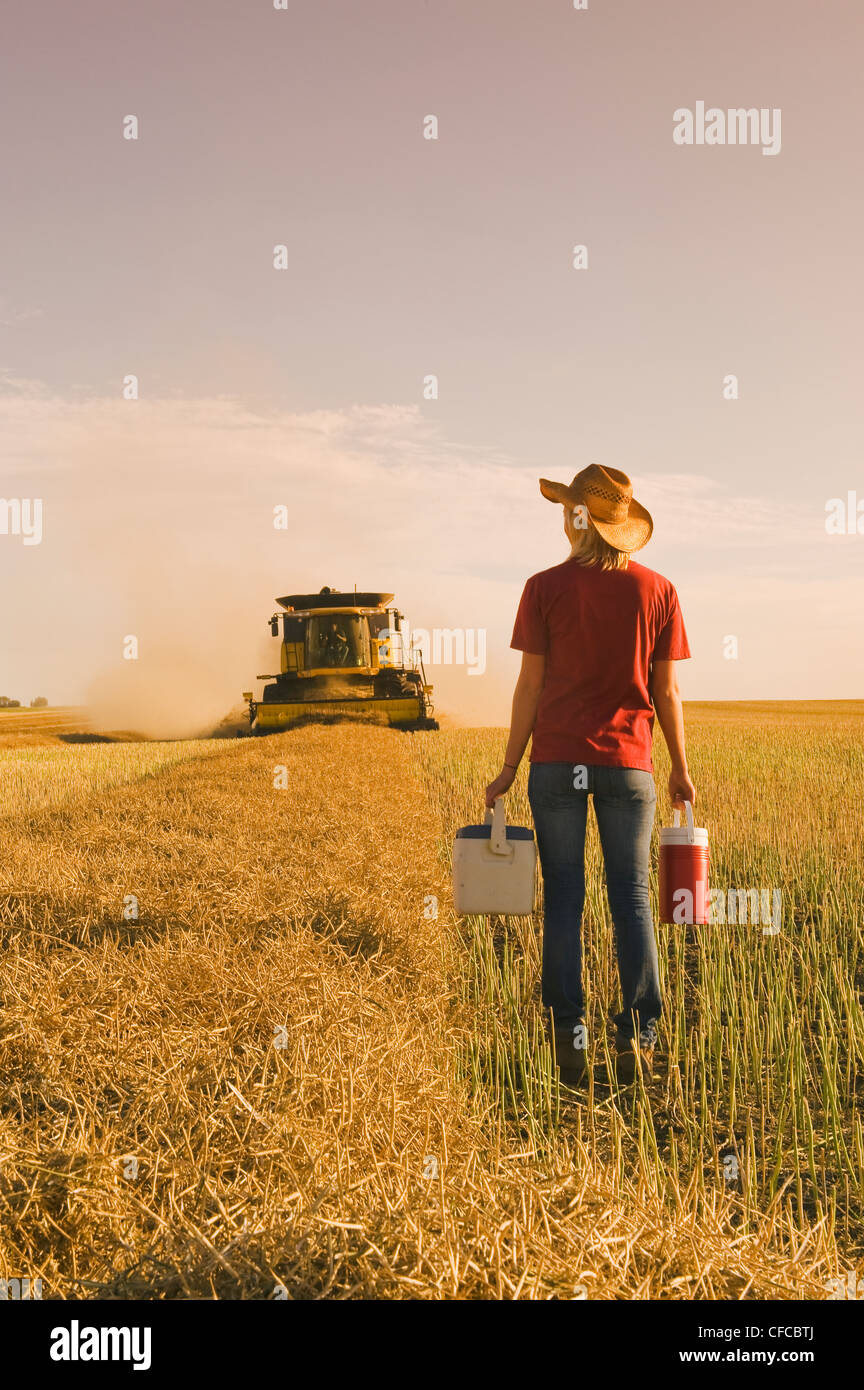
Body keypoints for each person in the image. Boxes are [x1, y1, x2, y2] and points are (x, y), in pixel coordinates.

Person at [485, 465, 695, 1086]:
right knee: (631, 898)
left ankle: (569, 1037)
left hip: (556, 763)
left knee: (565, 902)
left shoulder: (543, 587)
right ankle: (639, 1040)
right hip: (629, 766)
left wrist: (508, 767)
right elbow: (667, 692)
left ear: (578, 518)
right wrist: (680, 767)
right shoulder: (659, 591)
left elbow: (530, 684)